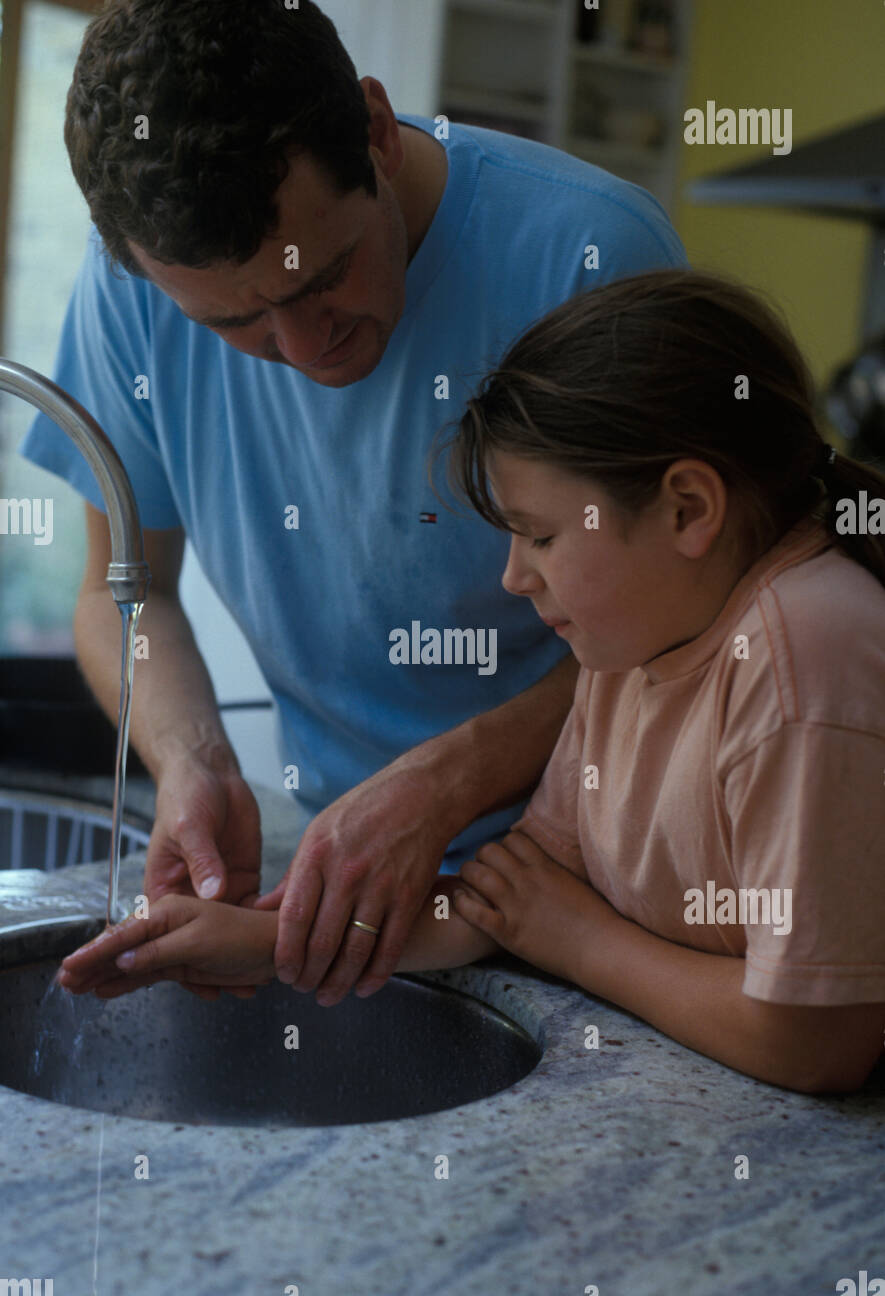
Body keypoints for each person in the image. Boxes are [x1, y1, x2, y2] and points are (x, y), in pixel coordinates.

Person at [60, 269, 885, 1094]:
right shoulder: (636, 635)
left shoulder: (802, 653)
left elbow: (815, 1040)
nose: (515, 578)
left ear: (686, 509)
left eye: (541, 536)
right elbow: (512, 898)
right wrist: (258, 939)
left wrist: (580, 941)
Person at [21, 0, 686, 1007]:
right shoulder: (128, 294)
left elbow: (687, 637)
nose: (303, 349)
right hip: (350, 891)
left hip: (609, 889)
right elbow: (126, 593)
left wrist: (443, 784)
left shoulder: (589, 257)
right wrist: (190, 755)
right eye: (235, 322)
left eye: (324, 278)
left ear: (376, 130)